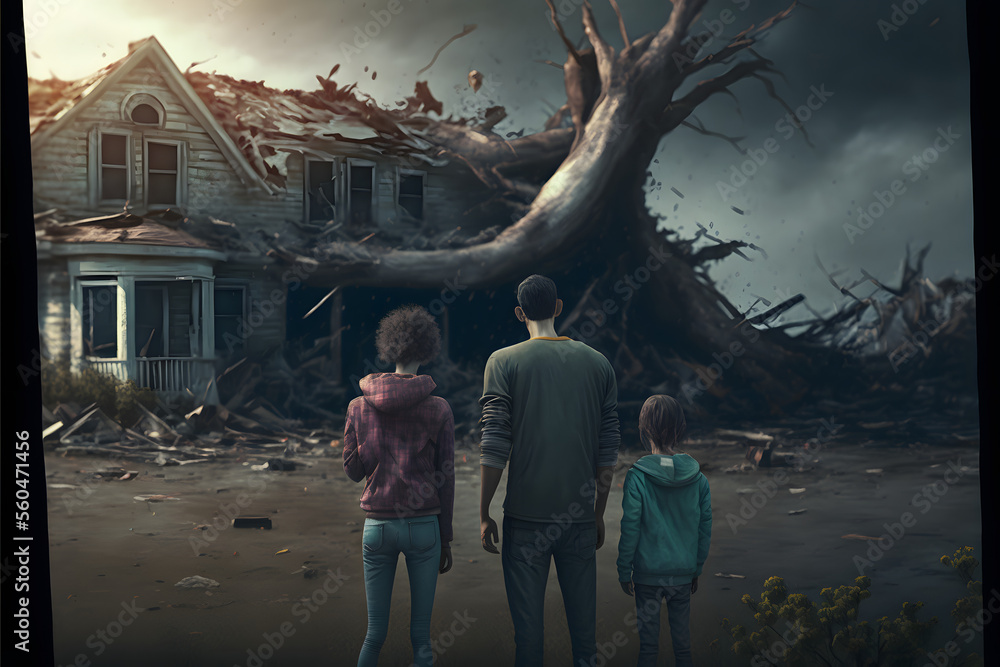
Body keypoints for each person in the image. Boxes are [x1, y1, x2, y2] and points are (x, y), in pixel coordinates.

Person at [479, 274, 621, 667]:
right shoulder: (598, 364)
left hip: (524, 520)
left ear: (519, 313)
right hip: (578, 520)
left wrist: (484, 512)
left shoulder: (502, 362)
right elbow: (607, 450)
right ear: (559, 307)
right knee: (586, 644)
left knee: (528, 643)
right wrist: (597, 512)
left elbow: (494, 444)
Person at [343, 305, 455, 667]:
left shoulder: (358, 407)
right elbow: (446, 477)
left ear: (388, 348)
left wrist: (369, 442)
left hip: (377, 529)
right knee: (421, 640)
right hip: (425, 528)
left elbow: (353, 472)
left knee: (374, 635)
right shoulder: (439, 409)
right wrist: (446, 537)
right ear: (427, 350)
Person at [617, 395, 712, 667]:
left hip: (647, 575)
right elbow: (705, 527)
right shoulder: (699, 479)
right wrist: (696, 568)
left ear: (643, 430)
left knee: (648, 649)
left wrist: (625, 570)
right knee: (683, 648)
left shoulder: (637, 477)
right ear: (680, 428)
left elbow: (630, 527)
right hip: (682, 573)